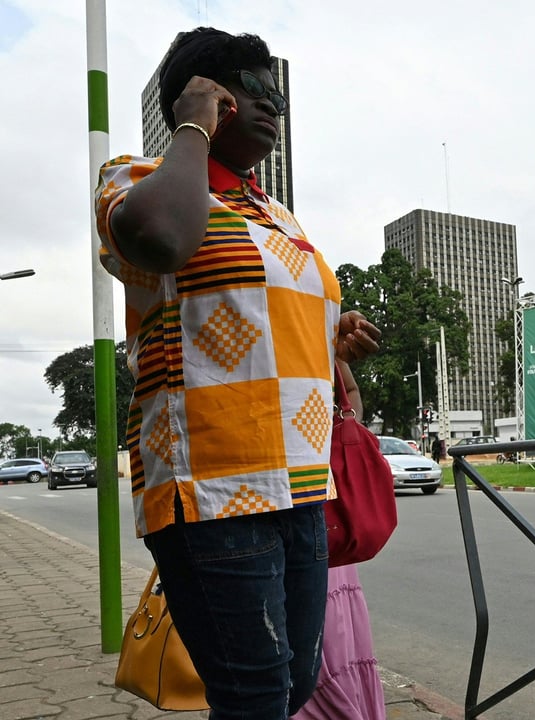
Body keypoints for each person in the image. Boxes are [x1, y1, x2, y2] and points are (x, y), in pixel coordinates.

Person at [94, 27, 380, 719]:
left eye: (277, 94)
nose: (272, 105)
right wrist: (191, 125)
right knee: (253, 697)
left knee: (295, 685)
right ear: (203, 95)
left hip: (301, 482)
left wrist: (330, 341)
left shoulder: (277, 215)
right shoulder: (135, 179)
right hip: (213, 489)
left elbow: (264, 327)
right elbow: (162, 239)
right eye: (251, 89)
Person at [293, 361, 385, 720]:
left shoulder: (316, 331)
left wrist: (345, 427)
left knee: (324, 635)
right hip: (282, 504)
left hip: (317, 506)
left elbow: (350, 389)